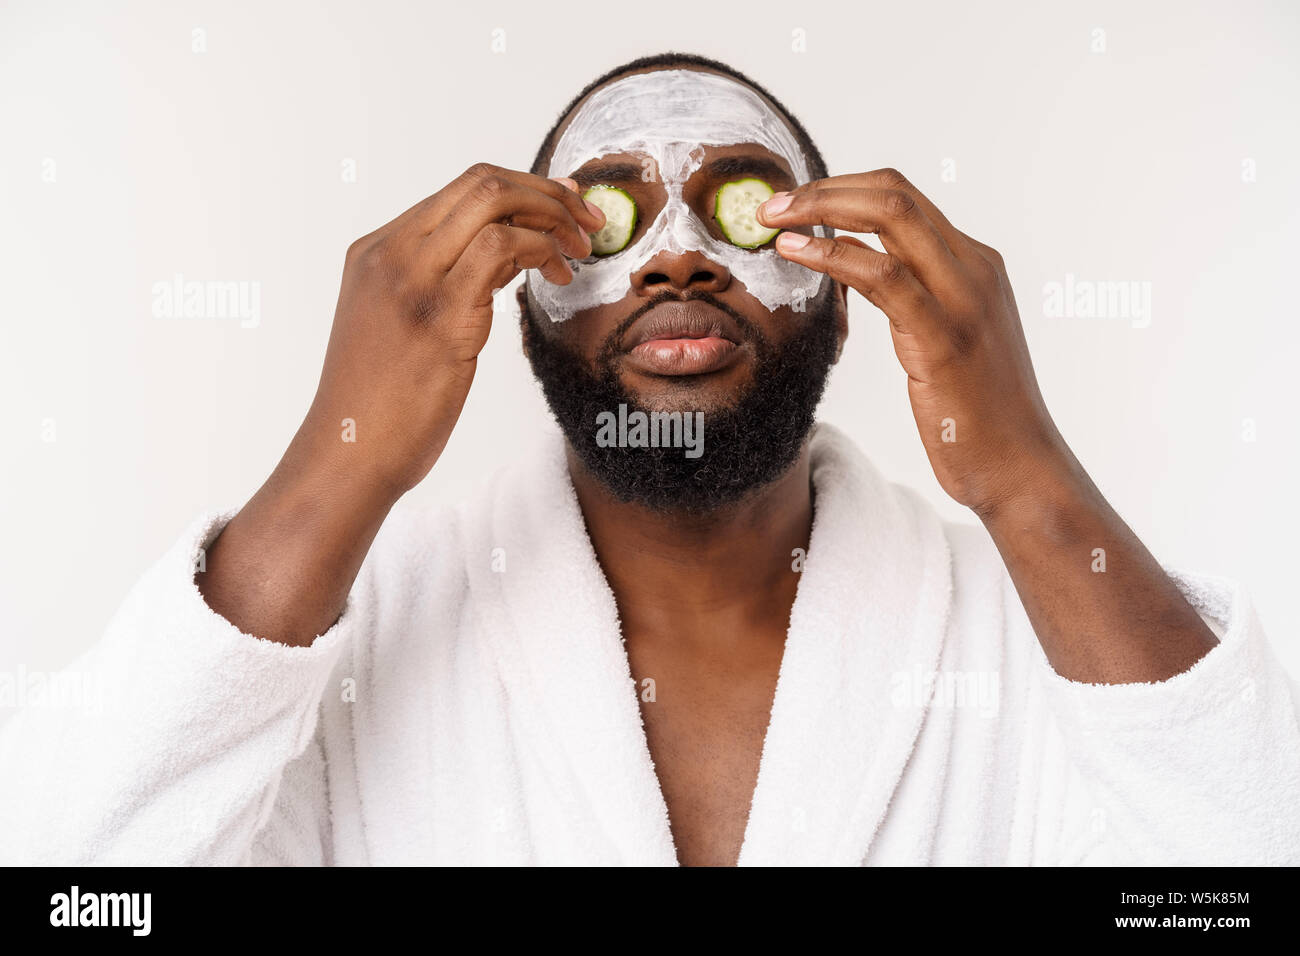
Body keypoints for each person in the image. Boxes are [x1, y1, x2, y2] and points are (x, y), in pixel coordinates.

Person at [2, 51, 1297, 867]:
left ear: (842, 296)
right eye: (615, 212)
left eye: (739, 199)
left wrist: (1028, 477)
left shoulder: (1040, 641)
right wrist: (341, 464)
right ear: (515, 297)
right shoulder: (343, 644)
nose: (677, 254)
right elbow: (80, 890)